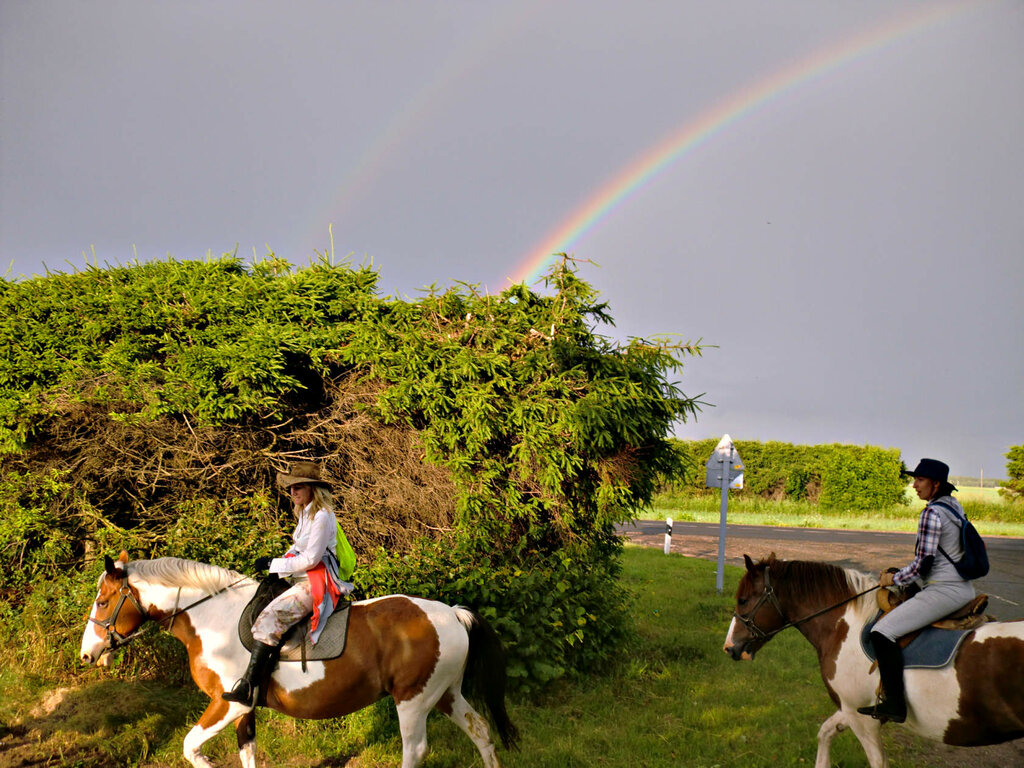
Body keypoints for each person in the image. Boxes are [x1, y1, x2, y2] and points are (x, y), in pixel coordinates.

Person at [223, 461, 355, 706]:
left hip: (316, 581)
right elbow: (297, 549)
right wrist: (277, 566)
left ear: (313, 489)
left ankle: (249, 687)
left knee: (269, 619)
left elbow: (311, 559)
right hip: (300, 576)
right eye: (291, 487)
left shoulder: (322, 516)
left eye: (299, 487)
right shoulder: (305, 513)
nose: (293, 492)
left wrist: (273, 564)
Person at [857, 458, 976, 723]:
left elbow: (924, 564)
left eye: (920, 480)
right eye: (915, 479)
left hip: (943, 591)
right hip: (963, 588)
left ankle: (894, 705)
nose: (914, 485)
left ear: (936, 484)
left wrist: (893, 578)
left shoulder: (931, 513)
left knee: (882, 632)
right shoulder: (954, 506)